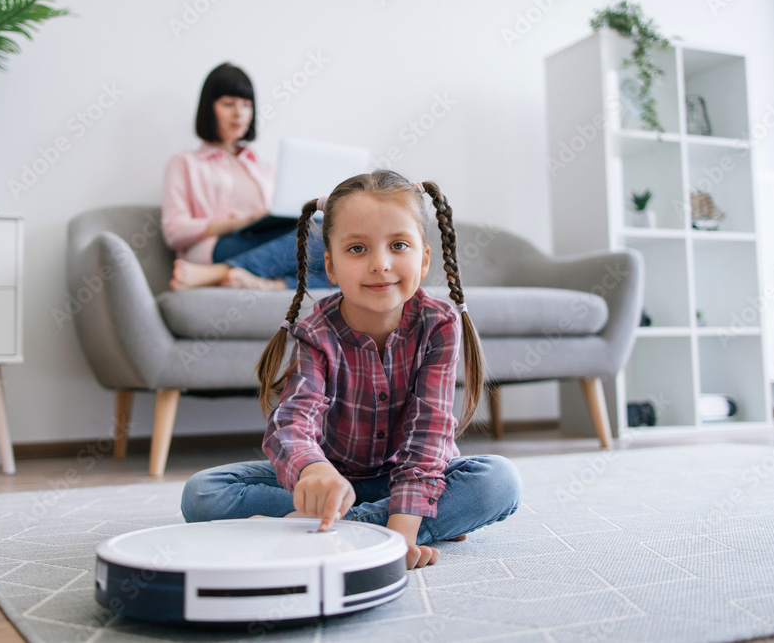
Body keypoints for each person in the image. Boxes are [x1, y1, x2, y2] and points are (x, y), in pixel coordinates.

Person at [181, 170, 522, 570]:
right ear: (331, 265)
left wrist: (402, 531)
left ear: (424, 257)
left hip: (409, 478)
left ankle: (340, 530)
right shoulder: (316, 331)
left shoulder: (438, 324)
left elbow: (428, 436)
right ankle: (395, 521)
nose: (380, 264)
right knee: (203, 493)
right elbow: (293, 421)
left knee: (498, 481)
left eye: (398, 245)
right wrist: (313, 472)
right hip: (333, 480)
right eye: (357, 249)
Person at [161, 62, 331, 291]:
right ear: (208, 109)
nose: (239, 113)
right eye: (228, 103)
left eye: (246, 104)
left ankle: (266, 284)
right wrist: (237, 223)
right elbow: (174, 231)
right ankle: (220, 270)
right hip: (221, 245)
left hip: (268, 243)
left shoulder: (262, 167)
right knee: (318, 232)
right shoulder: (185, 163)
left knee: (338, 251)